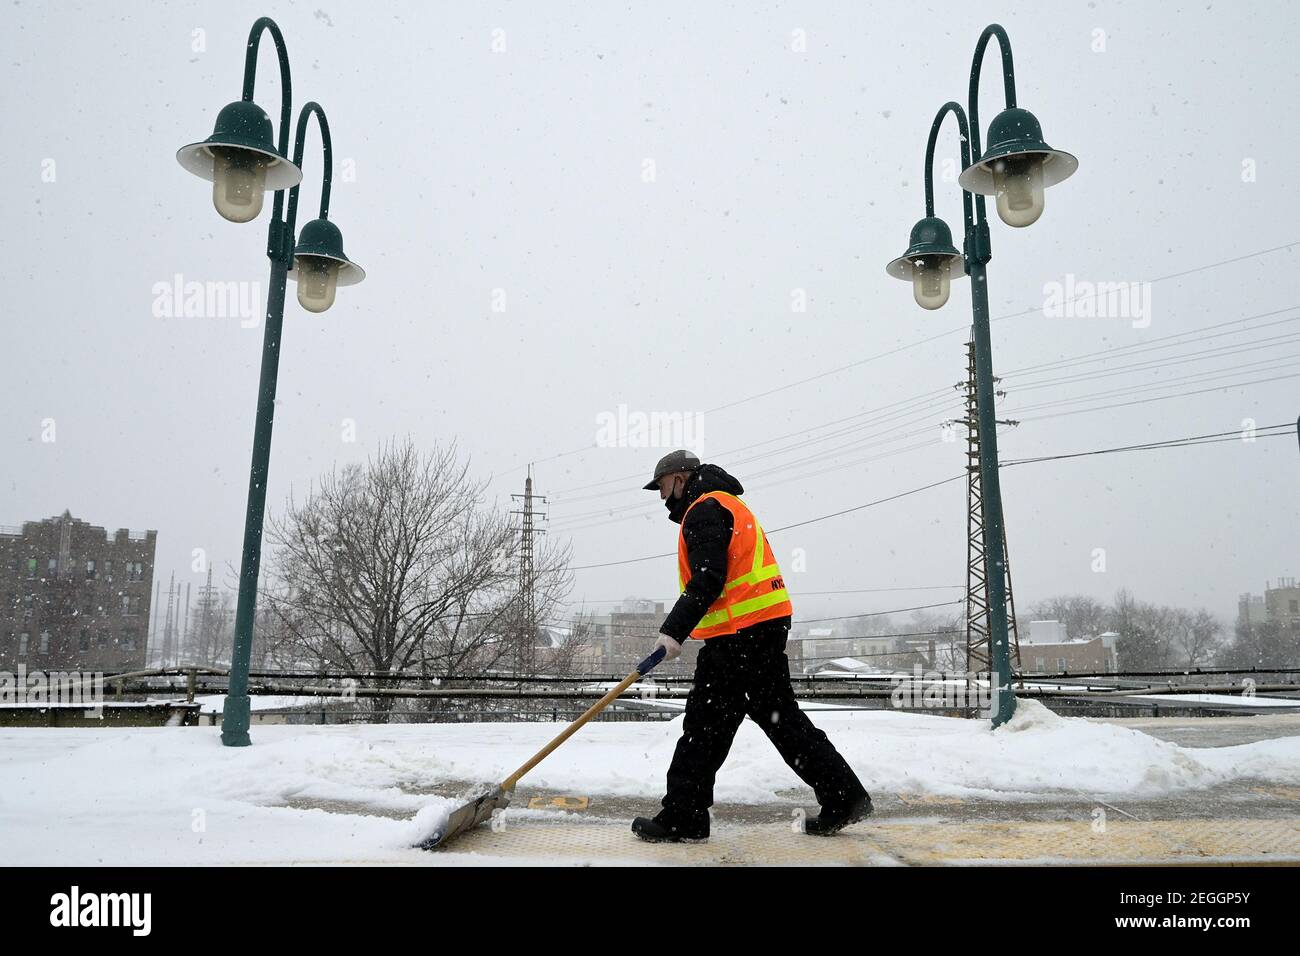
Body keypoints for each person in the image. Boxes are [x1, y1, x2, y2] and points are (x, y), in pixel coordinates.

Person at [631, 449, 873, 843]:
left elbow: (708, 579)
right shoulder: (726, 503)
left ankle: (683, 816)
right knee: (776, 720)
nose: (662, 498)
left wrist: (672, 632)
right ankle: (844, 796)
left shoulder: (705, 509)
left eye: (662, 487)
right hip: (757, 631)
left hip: (740, 635)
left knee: (705, 726)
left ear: (679, 477)